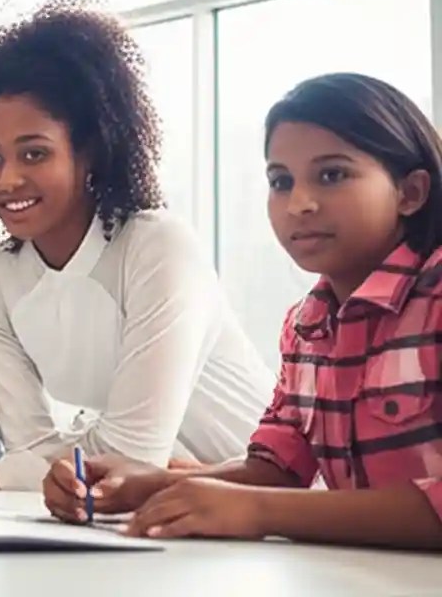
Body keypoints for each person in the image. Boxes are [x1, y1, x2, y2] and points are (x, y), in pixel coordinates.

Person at [45, 73, 442, 551]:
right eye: (281, 181)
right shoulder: (306, 325)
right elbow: (277, 469)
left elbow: (267, 499)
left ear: (411, 193)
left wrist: (256, 510)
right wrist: (148, 484)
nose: (300, 203)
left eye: (332, 175)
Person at [0, 0, 274, 490]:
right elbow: (30, 447)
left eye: (35, 153)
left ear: (90, 150)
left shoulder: (157, 247)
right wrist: (20, 473)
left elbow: (132, 453)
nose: (8, 179)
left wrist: (7, 476)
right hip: (150, 513)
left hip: (272, 509)